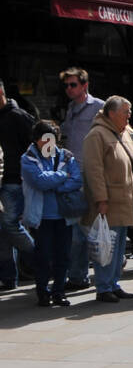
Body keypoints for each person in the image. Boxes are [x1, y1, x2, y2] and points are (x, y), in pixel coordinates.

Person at [81, 96, 133, 303]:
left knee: (119, 246)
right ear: (112, 113)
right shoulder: (97, 135)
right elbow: (93, 170)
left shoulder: (123, 133)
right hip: (108, 202)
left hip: (124, 201)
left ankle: (113, 283)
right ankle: (103, 287)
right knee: (106, 246)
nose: (129, 115)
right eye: (126, 111)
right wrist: (101, 199)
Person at [20, 121, 82, 306]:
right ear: (37, 140)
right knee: (43, 257)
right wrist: (63, 176)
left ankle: (59, 292)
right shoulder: (27, 158)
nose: (48, 144)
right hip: (42, 218)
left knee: (63, 256)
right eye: (44, 140)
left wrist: (54, 182)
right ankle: (42, 292)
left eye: (52, 139)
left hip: (64, 215)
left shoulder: (66, 156)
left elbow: (77, 180)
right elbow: (39, 181)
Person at [57, 67, 104, 292]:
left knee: (91, 226)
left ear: (84, 86)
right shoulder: (70, 109)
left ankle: (106, 264)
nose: (69, 89)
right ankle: (78, 276)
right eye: (66, 85)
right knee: (78, 227)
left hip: (92, 172)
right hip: (73, 174)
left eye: (73, 85)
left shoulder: (99, 107)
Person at [0, 79, 37, 290]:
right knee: (3, 232)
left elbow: (41, 147)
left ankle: (39, 261)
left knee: (10, 226)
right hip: (4, 181)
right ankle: (8, 278)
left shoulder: (19, 117)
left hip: (13, 181)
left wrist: (29, 174)